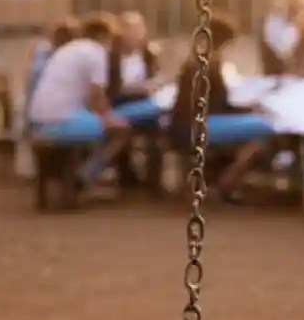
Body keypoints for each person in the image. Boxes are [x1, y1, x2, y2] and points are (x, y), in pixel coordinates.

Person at [170, 13, 276, 204]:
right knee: (263, 133)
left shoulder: (194, 62)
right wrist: (251, 108)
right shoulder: (211, 65)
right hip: (199, 126)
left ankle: (221, 182)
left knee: (253, 134)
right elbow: (220, 105)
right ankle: (226, 184)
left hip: (183, 125)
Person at [28, 13, 129, 189]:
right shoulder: (96, 52)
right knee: (120, 130)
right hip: (59, 122)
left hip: (38, 118)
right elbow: (97, 95)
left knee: (98, 126)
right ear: (105, 36)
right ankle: (84, 177)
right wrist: (109, 117)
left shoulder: (69, 49)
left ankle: (78, 174)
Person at [107, 11, 163, 186]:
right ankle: (127, 177)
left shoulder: (149, 53)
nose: (135, 34)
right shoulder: (111, 56)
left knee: (159, 129)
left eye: (139, 29)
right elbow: (110, 88)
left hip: (145, 102)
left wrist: (153, 85)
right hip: (119, 103)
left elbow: (155, 78)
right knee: (121, 131)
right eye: (130, 29)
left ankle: (153, 181)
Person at [23, 17, 80, 135]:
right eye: (59, 33)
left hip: (61, 114)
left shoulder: (76, 55)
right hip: (47, 116)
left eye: (67, 34)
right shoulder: (41, 52)